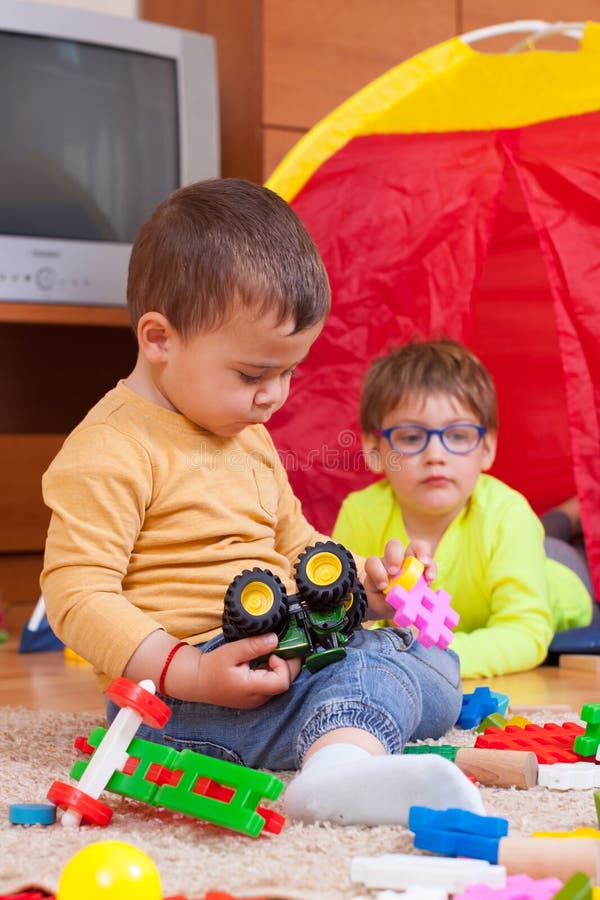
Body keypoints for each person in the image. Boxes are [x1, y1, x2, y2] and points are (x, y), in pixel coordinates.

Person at [41, 179, 483, 827]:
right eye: (253, 374)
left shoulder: (247, 435)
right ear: (159, 340)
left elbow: (298, 543)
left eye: (290, 371)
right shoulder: (112, 449)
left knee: (423, 656)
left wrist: (361, 583)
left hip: (282, 652)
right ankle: (336, 772)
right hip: (183, 697)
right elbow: (76, 591)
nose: (274, 395)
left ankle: (345, 743)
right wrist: (187, 669)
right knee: (373, 675)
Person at [333, 338, 593, 680]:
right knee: (534, 530)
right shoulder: (360, 512)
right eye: (412, 438)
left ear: (486, 449)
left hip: (562, 577)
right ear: (374, 449)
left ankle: (570, 516)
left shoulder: (509, 515)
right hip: (497, 550)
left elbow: (527, 633)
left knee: (548, 540)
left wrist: (437, 657)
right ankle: (560, 518)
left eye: (457, 436)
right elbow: (342, 617)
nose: (436, 455)